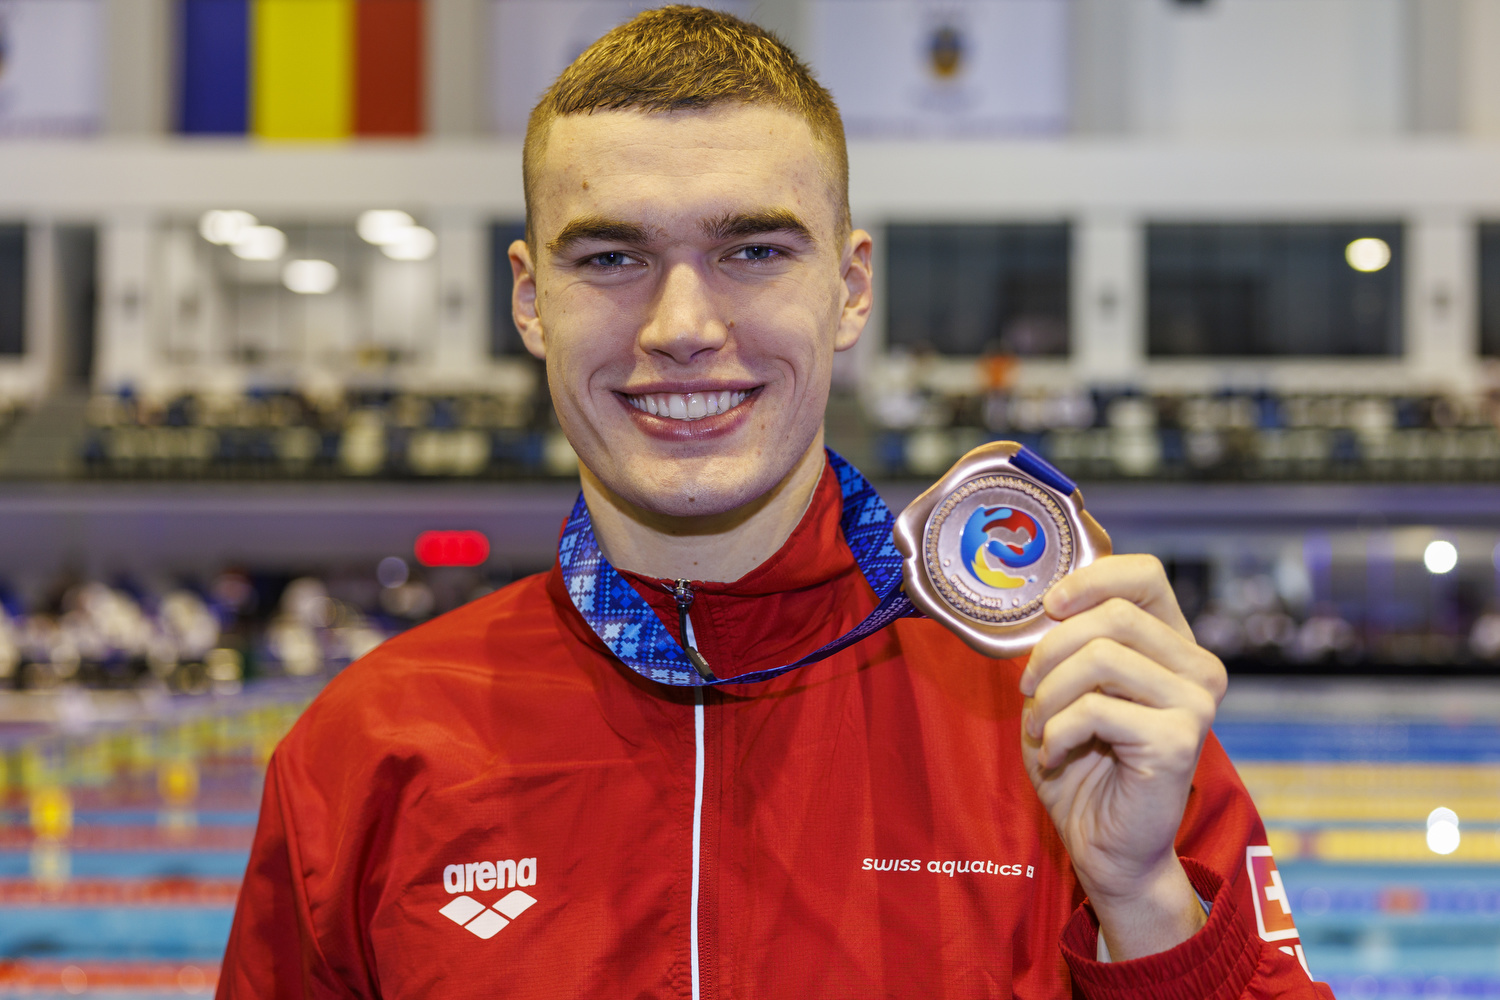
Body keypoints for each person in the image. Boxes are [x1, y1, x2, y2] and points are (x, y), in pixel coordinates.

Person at [219, 7, 1331, 997]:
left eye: (752, 248)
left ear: (850, 287)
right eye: (610, 257)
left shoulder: (1067, 707)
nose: (682, 325)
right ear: (529, 299)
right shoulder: (368, 747)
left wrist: (1143, 904)